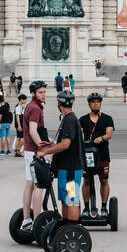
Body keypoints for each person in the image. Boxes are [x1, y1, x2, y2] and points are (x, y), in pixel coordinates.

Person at [41, 90, 84, 223]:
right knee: (65, 199)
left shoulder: (70, 120)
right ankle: (66, 225)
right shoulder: (67, 118)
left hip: (71, 169)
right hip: (65, 168)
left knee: (71, 200)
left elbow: (65, 144)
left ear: (59, 103)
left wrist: (45, 152)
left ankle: (73, 229)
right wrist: (50, 145)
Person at [18, 82, 48, 232]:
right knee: (39, 186)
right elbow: (33, 131)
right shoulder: (35, 109)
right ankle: (37, 222)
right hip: (34, 151)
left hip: (29, 150)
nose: (43, 94)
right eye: (40, 92)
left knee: (29, 184)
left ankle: (26, 220)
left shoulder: (30, 106)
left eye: (44, 92)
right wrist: (42, 149)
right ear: (33, 94)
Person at [78, 92, 115, 217]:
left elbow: (109, 134)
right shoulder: (83, 119)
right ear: (89, 104)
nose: (96, 104)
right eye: (93, 102)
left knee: (104, 180)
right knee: (87, 180)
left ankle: (104, 208)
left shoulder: (107, 118)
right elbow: (78, 133)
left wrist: (102, 138)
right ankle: (86, 208)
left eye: (98, 102)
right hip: (87, 155)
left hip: (103, 154)